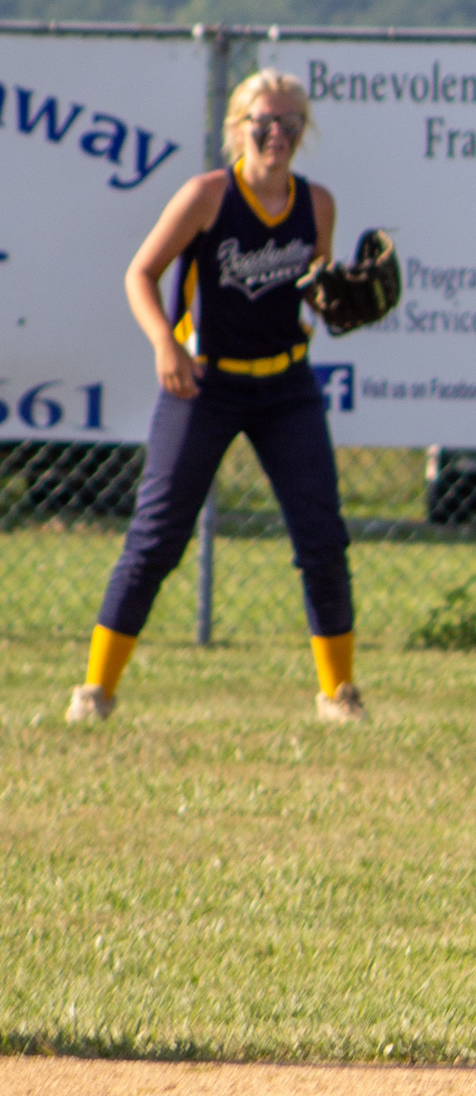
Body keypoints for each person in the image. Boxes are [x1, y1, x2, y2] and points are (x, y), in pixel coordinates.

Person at [66, 70, 363, 725]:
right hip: (205, 381)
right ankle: (95, 691)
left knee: (322, 538)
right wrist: (164, 346)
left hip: (286, 384)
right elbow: (140, 273)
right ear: (239, 128)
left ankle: (339, 695)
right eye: (263, 121)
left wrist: (337, 303)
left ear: (302, 132)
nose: (276, 133)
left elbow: (314, 293)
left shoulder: (317, 205)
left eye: (289, 122)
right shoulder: (207, 195)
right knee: (157, 539)